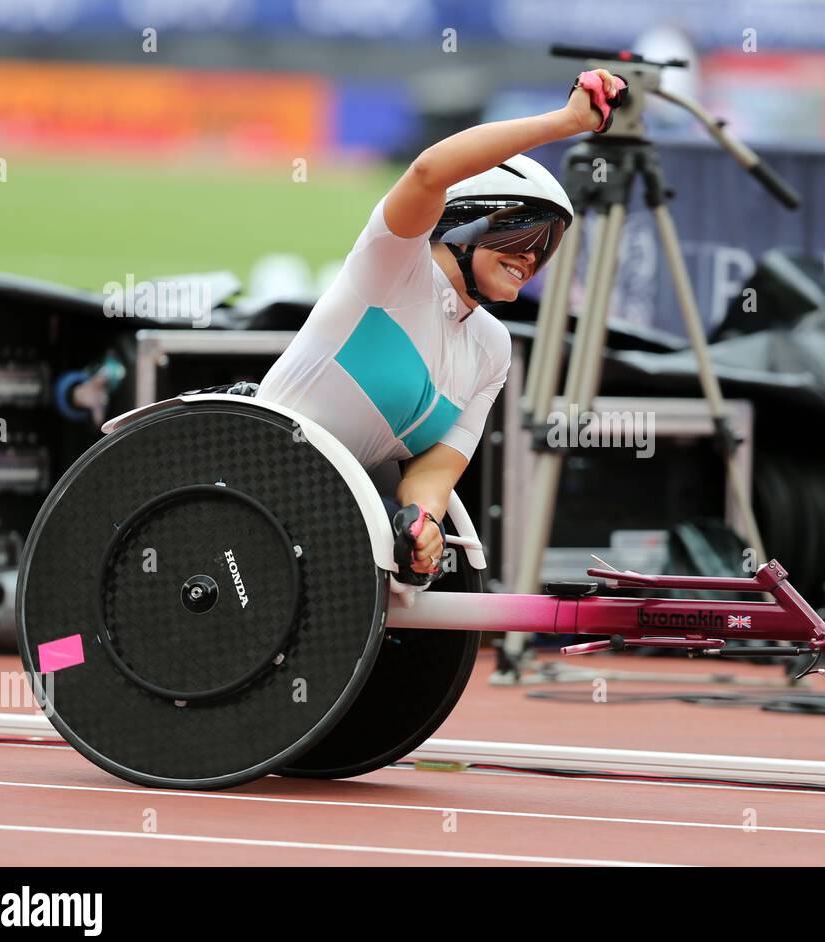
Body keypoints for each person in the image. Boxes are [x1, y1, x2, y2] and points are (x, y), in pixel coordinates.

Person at [258, 68, 625, 582]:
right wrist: (565, 123)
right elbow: (429, 172)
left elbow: (434, 469)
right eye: (523, 233)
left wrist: (423, 520)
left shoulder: (493, 346)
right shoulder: (394, 267)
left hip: (325, 521)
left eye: (546, 247)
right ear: (466, 221)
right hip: (250, 481)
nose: (532, 257)